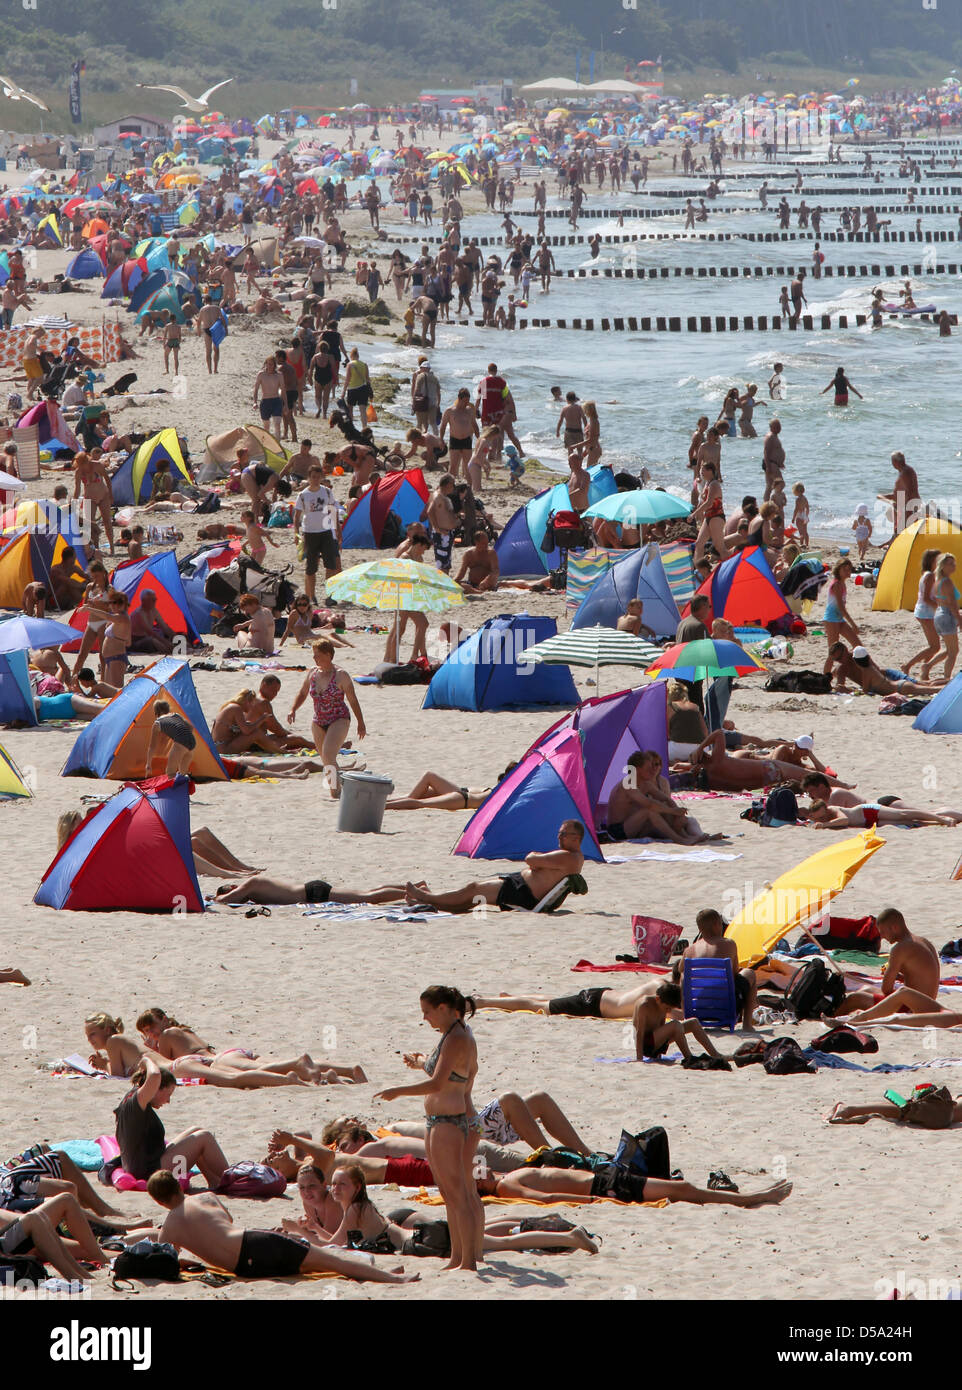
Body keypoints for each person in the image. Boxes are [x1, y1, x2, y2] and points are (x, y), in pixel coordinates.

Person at [374, 986, 483, 1272]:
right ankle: (459, 1257)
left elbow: (437, 1084)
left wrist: (398, 1091)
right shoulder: (454, 1034)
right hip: (440, 1120)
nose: (425, 1018)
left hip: (450, 1121)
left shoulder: (458, 1037)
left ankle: (469, 1260)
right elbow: (445, 1075)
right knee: (450, 1193)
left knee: (459, 1193)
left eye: (427, 1012)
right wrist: (422, 1062)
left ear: (444, 1008)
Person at [145, 1171, 417, 1283]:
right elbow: (226, 1223)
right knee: (328, 1261)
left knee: (323, 1263)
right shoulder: (205, 1198)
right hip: (253, 1243)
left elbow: (167, 1260)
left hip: (245, 1267)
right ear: (178, 1186)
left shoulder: (170, 1226)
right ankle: (386, 1276)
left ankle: (390, 1278)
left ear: (158, 1200)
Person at [324, 1163, 598, 1258]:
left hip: (427, 1242)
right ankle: (558, 1232)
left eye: (341, 1184)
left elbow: (331, 1244)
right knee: (498, 1238)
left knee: (504, 1243)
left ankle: (569, 1238)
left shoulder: (354, 1211)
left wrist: (301, 1231)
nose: (335, 1189)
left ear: (358, 1186)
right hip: (426, 1235)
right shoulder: (361, 1206)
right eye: (333, 1184)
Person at [114, 1056, 230, 1186]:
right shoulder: (137, 1103)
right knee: (204, 1137)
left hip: (145, 1165)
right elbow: (155, 1075)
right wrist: (146, 1060)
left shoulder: (133, 1096)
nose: (168, 1100)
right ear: (155, 1089)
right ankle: (233, 1180)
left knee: (196, 1130)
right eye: (168, 1094)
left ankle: (215, 1181)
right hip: (149, 1173)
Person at [827, 908, 941, 1016]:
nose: (882, 937)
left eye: (883, 932)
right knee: (866, 989)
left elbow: (886, 989)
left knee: (855, 998)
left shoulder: (900, 948)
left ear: (894, 928)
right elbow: (922, 977)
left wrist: (889, 973)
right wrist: (902, 976)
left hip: (913, 1008)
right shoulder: (924, 941)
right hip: (930, 1004)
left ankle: (830, 1017)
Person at [288, 639, 366, 798]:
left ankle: (337, 792)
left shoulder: (341, 675)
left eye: (318, 655)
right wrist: (293, 709)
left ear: (328, 655)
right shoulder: (312, 673)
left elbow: (352, 700)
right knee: (326, 759)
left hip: (339, 718)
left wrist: (360, 722)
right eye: (313, 655)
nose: (315, 659)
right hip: (318, 720)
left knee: (329, 754)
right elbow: (303, 693)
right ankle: (338, 788)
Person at [683, 908, 756, 1029]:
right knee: (749, 973)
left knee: (682, 978)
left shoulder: (689, 950)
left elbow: (680, 973)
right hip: (726, 1007)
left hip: (697, 1008)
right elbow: (734, 974)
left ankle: (686, 1020)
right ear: (717, 924)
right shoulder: (729, 944)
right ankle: (747, 1025)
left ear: (700, 929)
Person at [294, 465, 340, 601]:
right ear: (309, 477)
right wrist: (296, 533)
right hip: (310, 533)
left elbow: (333, 511)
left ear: (321, 478)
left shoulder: (327, 492)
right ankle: (311, 596)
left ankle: (329, 595)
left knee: (331, 565)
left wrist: (337, 530)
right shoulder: (303, 495)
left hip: (326, 531)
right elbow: (297, 517)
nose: (315, 479)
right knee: (311, 567)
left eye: (318, 477)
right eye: (313, 477)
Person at [904, 548, 941, 676]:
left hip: (923, 611)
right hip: (926, 612)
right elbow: (926, 597)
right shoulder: (930, 575)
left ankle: (925, 672)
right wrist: (939, 607)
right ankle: (908, 665)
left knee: (933, 645)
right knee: (935, 647)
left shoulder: (926, 574)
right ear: (932, 561)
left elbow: (929, 595)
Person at [927, 552, 961, 681]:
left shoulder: (938, 580)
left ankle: (927, 666)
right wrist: (959, 619)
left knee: (949, 650)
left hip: (940, 614)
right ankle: (946, 678)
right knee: (953, 652)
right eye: (950, 564)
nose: (954, 566)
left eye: (954, 563)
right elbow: (952, 604)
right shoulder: (946, 582)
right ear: (942, 566)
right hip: (946, 615)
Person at [691, 461, 729, 565]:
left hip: (717, 517)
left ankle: (734, 566)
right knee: (699, 544)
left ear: (710, 471)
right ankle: (697, 568)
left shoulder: (714, 484)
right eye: (701, 470)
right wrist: (696, 512)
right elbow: (702, 501)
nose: (701, 472)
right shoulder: (707, 483)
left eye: (703, 470)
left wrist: (694, 514)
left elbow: (709, 503)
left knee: (720, 547)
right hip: (708, 517)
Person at [146, 699, 195, 777]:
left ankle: (175, 788)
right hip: (192, 741)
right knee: (183, 773)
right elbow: (191, 727)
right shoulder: (176, 715)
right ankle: (184, 787)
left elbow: (152, 747)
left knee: (170, 772)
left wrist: (148, 764)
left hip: (181, 742)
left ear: (157, 712)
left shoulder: (157, 723)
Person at [822, 558, 859, 649]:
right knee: (833, 652)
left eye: (849, 569)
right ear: (838, 570)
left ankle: (868, 663)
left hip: (839, 619)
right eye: (844, 569)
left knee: (858, 646)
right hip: (831, 619)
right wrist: (853, 624)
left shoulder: (842, 583)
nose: (847, 572)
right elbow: (841, 607)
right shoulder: (837, 584)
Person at [99, 589, 132, 688]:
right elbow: (128, 642)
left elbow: (106, 616)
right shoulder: (117, 619)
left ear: (124, 604)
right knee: (108, 692)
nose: (113, 605)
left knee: (116, 691)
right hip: (110, 658)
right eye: (111, 603)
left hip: (117, 658)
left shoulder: (123, 618)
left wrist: (88, 609)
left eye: (116, 603)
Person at [128, 589, 176, 655]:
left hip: (146, 638)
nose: (155, 601)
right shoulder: (138, 613)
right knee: (153, 641)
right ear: (144, 601)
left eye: (155, 599)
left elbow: (164, 627)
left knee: (173, 636)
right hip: (134, 642)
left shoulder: (153, 610)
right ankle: (171, 652)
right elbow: (150, 632)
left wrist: (176, 637)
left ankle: (177, 649)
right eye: (153, 600)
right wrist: (167, 643)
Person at [762, 419, 785, 503]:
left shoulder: (774, 436)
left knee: (770, 485)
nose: (779, 428)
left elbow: (776, 451)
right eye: (776, 427)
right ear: (771, 427)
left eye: (779, 426)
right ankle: (775, 502)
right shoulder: (770, 436)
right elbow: (766, 451)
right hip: (771, 464)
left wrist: (780, 463)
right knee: (780, 484)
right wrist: (768, 467)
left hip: (774, 464)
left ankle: (767, 504)